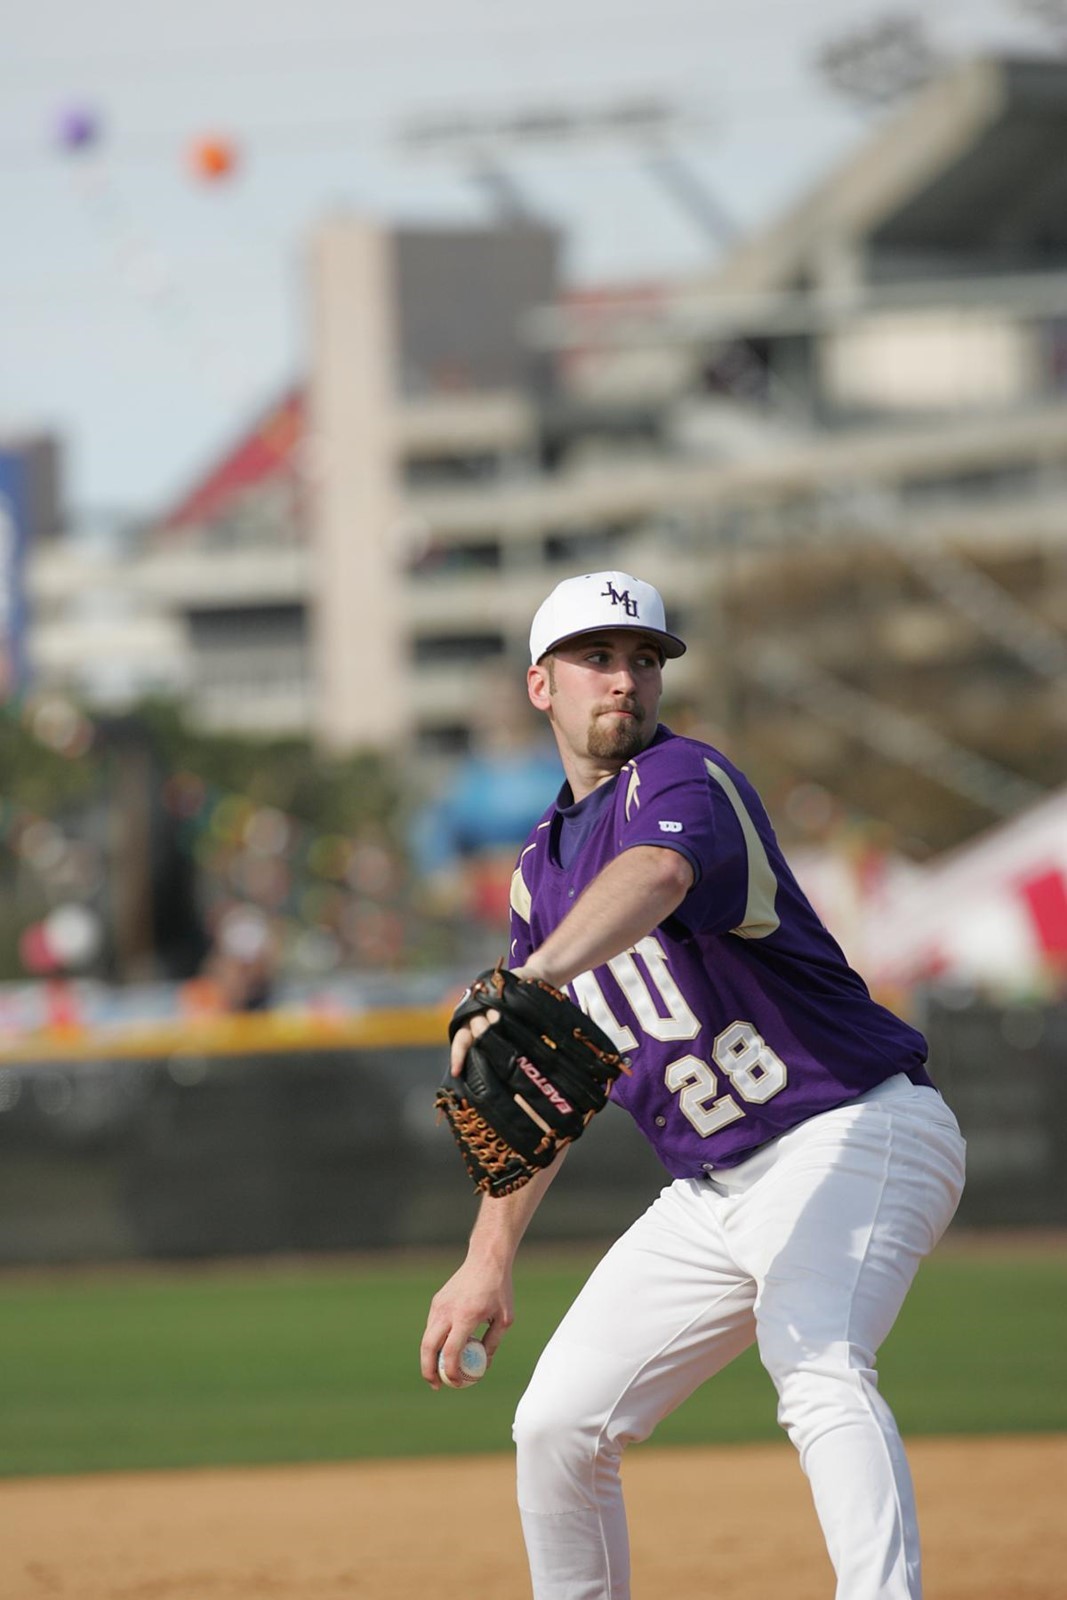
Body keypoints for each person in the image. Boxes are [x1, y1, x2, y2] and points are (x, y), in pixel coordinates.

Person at [420, 570, 966, 1600]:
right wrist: (483, 1259)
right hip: (712, 1192)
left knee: (814, 1358)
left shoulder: (678, 779)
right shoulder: (537, 873)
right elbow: (539, 1085)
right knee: (555, 1423)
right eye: (596, 658)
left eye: (642, 658)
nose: (623, 679)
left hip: (854, 1124)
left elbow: (657, 878)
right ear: (542, 686)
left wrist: (526, 976)